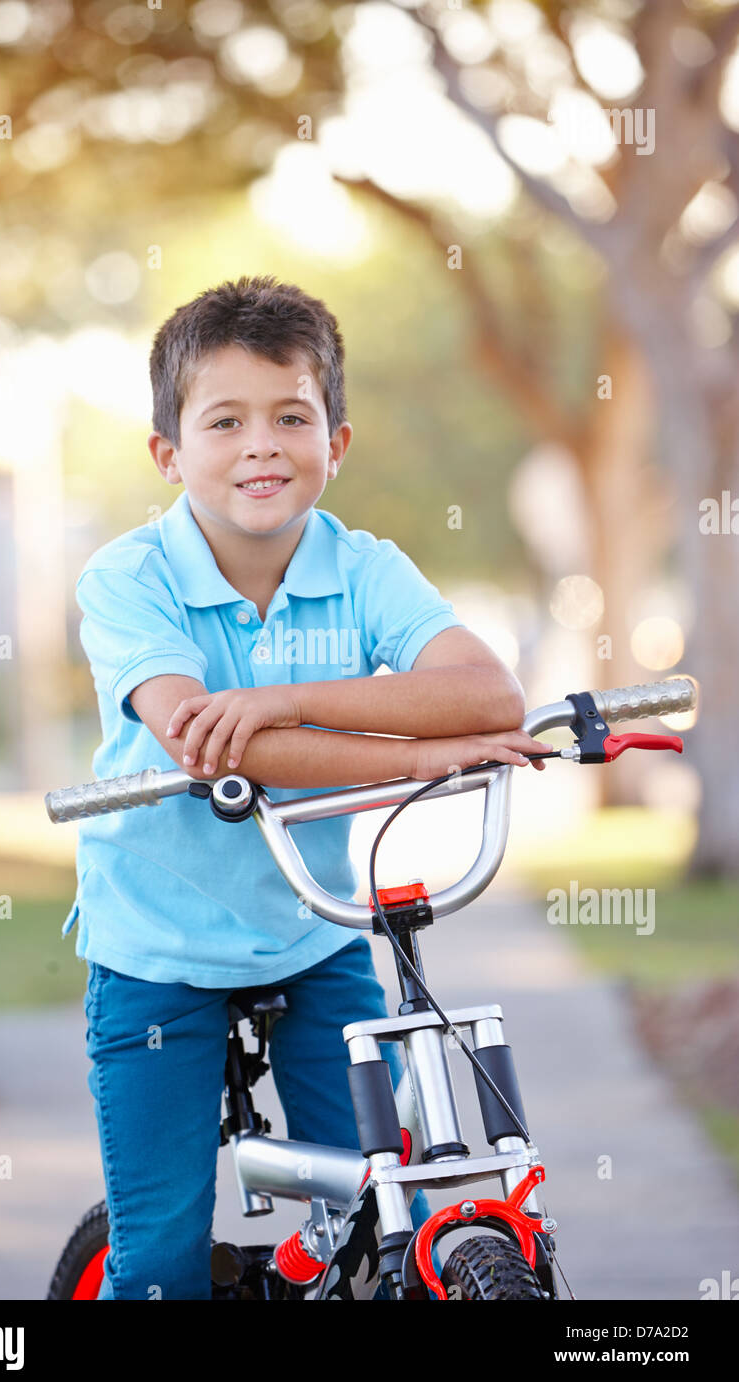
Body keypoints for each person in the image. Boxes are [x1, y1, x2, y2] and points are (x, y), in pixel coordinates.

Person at [63, 274, 552, 1300]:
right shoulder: (126, 577)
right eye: (225, 420)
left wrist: (284, 707)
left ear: (335, 441)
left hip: (310, 927)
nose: (261, 446)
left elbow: (486, 692)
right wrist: (408, 755)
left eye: (292, 416)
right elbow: (206, 746)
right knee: (158, 1259)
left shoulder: (363, 567)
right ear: (168, 453)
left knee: (381, 1206)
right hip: (157, 943)